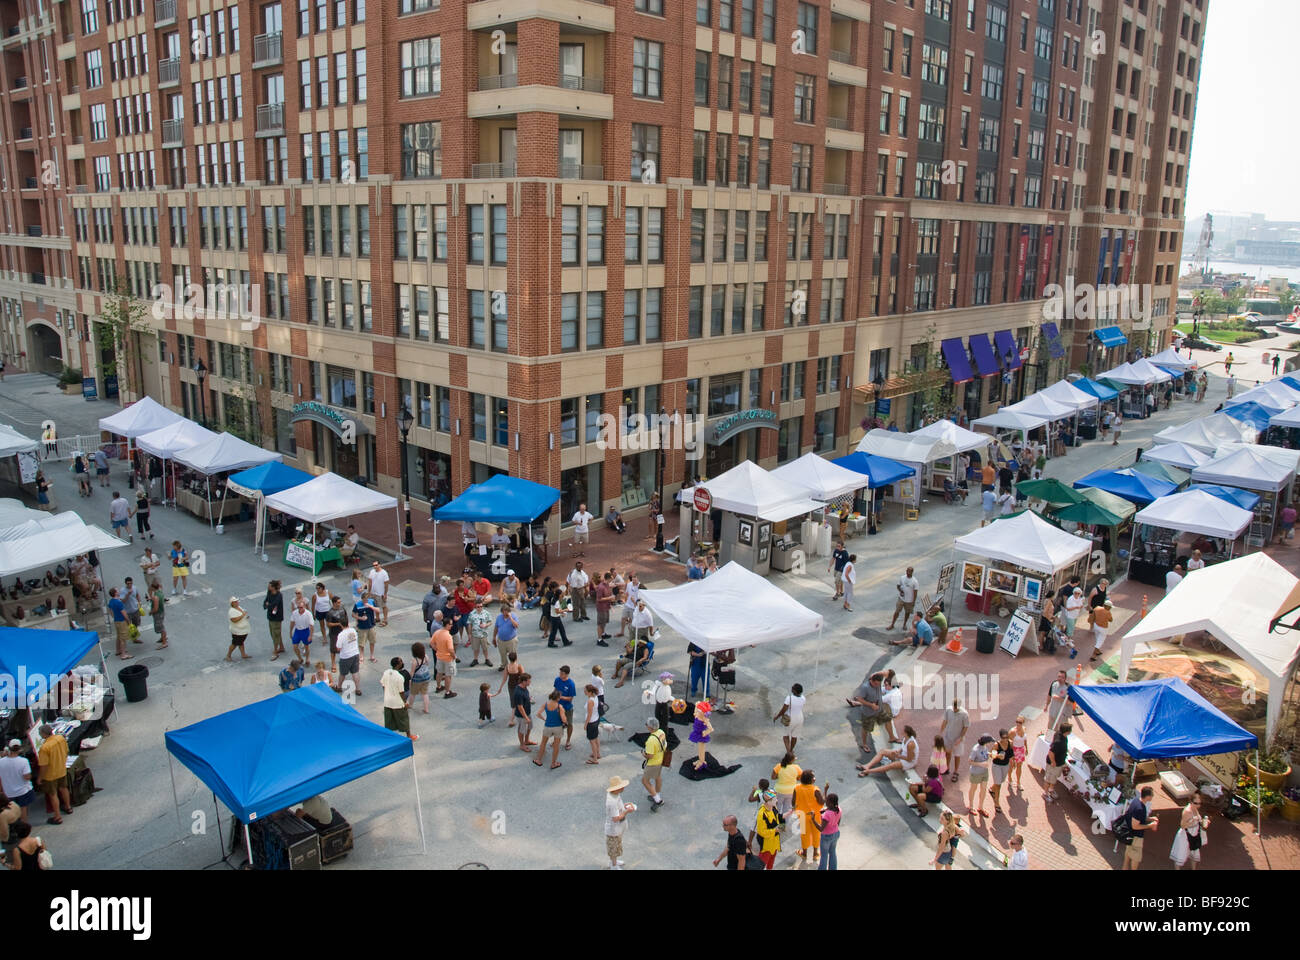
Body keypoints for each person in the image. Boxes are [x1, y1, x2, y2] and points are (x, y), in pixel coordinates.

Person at [36, 724, 71, 824]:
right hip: (61, 769)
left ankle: (57, 817)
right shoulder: (60, 738)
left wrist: (39, 778)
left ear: (43, 734)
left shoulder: (44, 748)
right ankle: (68, 807)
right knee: (64, 788)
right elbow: (66, 751)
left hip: (50, 775)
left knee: (53, 794)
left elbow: (43, 765)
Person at [381, 657, 418, 742]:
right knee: (404, 719)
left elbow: (383, 685)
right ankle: (409, 736)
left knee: (389, 721)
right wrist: (405, 702)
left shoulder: (386, 672)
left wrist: (387, 694)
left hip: (388, 701)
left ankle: (389, 737)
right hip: (398, 703)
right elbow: (401, 692)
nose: (402, 662)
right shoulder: (400, 677)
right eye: (401, 661)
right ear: (398, 665)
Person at [1122, 786, 1159, 869]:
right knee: (1135, 860)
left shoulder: (1136, 802)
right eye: (1152, 795)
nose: (1152, 797)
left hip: (1129, 835)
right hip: (1136, 838)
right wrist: (1150, 826)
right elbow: (1135, 826)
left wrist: (1150, 818)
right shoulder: (1140, 808)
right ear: (1148, 796)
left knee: (1126, 859)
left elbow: (1139, 818)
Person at [792, 770, 824, 864]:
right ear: (811, 780)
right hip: (815, 815)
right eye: (813, 777)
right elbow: (821, 802)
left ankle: (804, 853)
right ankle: (815, 853)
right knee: (816, 833)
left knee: (804, 834)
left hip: (802, 815)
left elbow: (793, 802)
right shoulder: (815, 790)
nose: (815, 778)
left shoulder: (797, 787)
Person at [1170, 791, 1207, 870]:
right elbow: (1182, 825)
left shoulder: (1195, 809)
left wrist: (1203, 822)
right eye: (1196, 803)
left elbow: (1199, 821)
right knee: (1180, 856)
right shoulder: (1187, 811)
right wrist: (1193, 821)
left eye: (1200, 803)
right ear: (1191, 801)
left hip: (1194, 834)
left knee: (1194, 854)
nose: (1198, 805)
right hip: (1185, 836)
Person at [848, 673, 885, 753]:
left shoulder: (877, 682)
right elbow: (860, 699)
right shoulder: (865, 687)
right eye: (875, 684)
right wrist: (871, 705)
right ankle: (864, 744)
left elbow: (884, 673)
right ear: (871, 680)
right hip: (868, 712)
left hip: (878, 709)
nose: (877, 686)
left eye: (878, 684)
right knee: (866, 729)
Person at [604, 776, 634, 869]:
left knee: (617, 846)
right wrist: (626, 811)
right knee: (613, 848)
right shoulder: (611, 802)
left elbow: (618, 807)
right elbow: (616, 818)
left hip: (618, 828)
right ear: (617, 788)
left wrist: (624, 806)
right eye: (621, 786)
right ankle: (613, 865)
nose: (623, 788)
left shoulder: (614, 794)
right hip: (613, 829)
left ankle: (614, 862)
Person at [0, 740, 34, 821]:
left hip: (8, 791)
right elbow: (27, 777)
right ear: (20, 749)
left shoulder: (1, 762)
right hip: (22, 790)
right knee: (23, 809)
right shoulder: (24, 761)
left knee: (11, 810)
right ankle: (24, 827)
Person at [533, 688, 566, 770]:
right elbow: (564, 719)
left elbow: (538, 714)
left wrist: (544, 719)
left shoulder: (546, 704)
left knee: (543, 743)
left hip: (548, 726)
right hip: (558, 727)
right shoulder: (559, 706)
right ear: (558, 698)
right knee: (556, 745)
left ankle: (538, 760)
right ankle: (553, 763)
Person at [938, 698, 970, 784]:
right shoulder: (949, 710)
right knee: (947, 753)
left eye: (956, 708)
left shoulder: (964, 714)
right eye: (953, 707)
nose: (954, 709)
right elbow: (945, 721)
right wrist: (940, 732)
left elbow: (966, 727)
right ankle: (946, 768)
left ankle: (956, 772)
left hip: (958, 739)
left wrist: (960, 738)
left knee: (957, 755)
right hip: (948, 736)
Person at [641, 717, 667, 810]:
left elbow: (650, 756)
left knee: (645, 781)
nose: (646, 726)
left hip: (653, 763)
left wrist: (643, 753)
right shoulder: (661, 732)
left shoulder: (651, 740)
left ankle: (658, 800)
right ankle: (657, 793)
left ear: (650, 728)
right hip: (661, 759)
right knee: (657, 777)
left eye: (647, 724)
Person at [1043, 722, 1072, 804]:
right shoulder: (1058, 742)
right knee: (1048, 779)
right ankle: (1045, 793)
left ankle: (1051, 790)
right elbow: (1051, 752)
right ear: (1067, 732)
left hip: (1059, 763)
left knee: (1054, 778)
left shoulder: (1060, 734)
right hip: (1054, 764)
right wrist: (1053, 762)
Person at [773, 682, 806, 754]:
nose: (791, 687)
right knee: (794, 736)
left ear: (794, 691)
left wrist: (777, 716)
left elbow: (783, 709)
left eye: (793, 687)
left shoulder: (789, 698)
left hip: (790, 719)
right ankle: (791, 750)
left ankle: (789, 753)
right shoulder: (803, 698)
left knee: (785, 736)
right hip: (800, 718)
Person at [754, 792, 782, 869]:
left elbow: (777, 819)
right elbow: (762, 832)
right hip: (766, 845)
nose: (776, 800)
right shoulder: (762, 814)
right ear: (768, 802)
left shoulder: (774, 808)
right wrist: (775, 831)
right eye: (774, 799)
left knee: (771, 861)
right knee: (760, 865)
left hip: (774, 842)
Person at [966, 735, 993, 815]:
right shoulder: (975, 750)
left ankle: (980, 807)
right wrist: (980, 764)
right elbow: (970, 761)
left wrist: (990, 754)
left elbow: (985, 753)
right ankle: (971, 806)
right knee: (973, 788)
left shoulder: (984, 747)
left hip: (984, 771)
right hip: (976, 772)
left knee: (984, 789)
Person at [553, 665, 578, 750]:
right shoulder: (557, 680)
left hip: (567, 708)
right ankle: (556, 740)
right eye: (560, 672)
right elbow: (555, 690)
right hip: (557, 707)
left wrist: (561, 697)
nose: (560, 674)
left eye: (562, 673)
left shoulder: (571, 684)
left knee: (569, 724)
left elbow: (570, 698)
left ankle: (568, 741)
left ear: (567, 674)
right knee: (557, 724)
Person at [888, 566, 921, 630]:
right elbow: (898, 586)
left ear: (912, 572)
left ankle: (904, 624)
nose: (907, 572)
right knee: (897, 611)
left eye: (909, 571)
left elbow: (915, 593)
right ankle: (892, 624)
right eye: (907, 571)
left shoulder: (915, 581)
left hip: (909, 601)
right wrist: (900, 591)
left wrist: (913, 602)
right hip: (901, 599)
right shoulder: (902, 578)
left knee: (907, 613)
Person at [431, 618, 456, 699]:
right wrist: (454, 656)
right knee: (448, 675)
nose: (452, 626)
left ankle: (438, 687)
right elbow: (450, 649)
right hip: (448, 658)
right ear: (447, 625)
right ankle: (447, 692)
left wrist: (437, 650)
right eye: (451, 624)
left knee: (439, 673)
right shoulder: (448, 636)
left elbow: (431, 643)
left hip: (439, 657)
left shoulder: (437, 632)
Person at [989, 729, 1013, 813]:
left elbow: (1011, 755)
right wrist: (998, 756)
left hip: (1005, 766)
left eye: (1007, 737)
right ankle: (997, 803)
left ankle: (992, 789)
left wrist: (1013, 764)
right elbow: (991, 755)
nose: (1005, 739)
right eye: (1004, 737)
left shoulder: (1010, 743)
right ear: (1000, 737)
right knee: (999, 785)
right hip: (997, 766)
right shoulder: (997, 745)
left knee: (1000, 781)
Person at [336, 622, 361, 695]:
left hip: (346, 656)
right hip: (355, 653)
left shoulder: (341, 634)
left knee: (342, 673)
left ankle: (339, 687)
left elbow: (338, 648)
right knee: (355, 672)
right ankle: (358, 689)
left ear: (341, 625)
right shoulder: (353, 630)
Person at [817, 793, 841, 870]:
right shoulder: (839, 809)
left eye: (826, 801)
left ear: (830, 803)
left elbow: (821, 828)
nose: (825, 802)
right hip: (836, 833)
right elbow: (838, 822)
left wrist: (813, 819)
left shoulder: (827, 814)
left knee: (824, 856)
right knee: (832, 853)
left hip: (826, 836)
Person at [466, 600, 493, 667]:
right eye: (478, 607)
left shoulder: (486, 613)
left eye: (481, 606)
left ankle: (487, 659)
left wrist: (486, 625)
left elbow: (490, 622)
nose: (480, 608)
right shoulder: (472, 614)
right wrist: (469, 634)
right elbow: (469, 624)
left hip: (484, 634)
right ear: (475, 607)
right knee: (475, 648)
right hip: (475, 634)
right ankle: (475, 660)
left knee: (485, 648)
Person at [492, 604, 519, 671]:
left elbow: (516, 626)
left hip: (511, 640)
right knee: (502, 654)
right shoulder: (499, 617)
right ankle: (504, 665)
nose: (504, 613)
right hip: (501, 640)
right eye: (503, 612)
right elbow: (496, 627)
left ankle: (513, 666)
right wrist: (494, 637)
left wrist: (510, 618)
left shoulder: (513, 616)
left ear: (509, 611)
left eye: (506, 611)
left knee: (512, 654)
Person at [263, 580, 285, 661]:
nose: (268, 587)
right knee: (274, 632)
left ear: (273, 587)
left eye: (269, 586)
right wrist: (266, 605)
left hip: (277, 617)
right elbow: (266, 601)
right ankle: (281, 647)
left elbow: (274, 604)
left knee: (275, 634)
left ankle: (275, 651)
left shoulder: (279, 595)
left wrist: (268, 605)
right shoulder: (269, 592)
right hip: (270, 616)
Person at [688, 700, 714, 770]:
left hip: (701, 735)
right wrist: (697, 705)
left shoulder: (704, 719)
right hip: (697, 733)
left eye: (699, 710)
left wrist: (705, 732)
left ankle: (701, 762)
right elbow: (695, 712)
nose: (698, 711)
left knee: (701, 750)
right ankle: (700, 760)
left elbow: (711, 729)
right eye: (698, 710)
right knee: (699, 749)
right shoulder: (697, 714)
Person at [408, 642, 432, 714]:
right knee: (425, 694)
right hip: (426, 677)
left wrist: (409, 680)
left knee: (413, 693)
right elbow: (427, 664)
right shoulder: (426, 656)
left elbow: (412, 672)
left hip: (417, 680)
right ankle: (426, 709)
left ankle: (410, 705)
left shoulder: (415, 661)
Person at [512, 674, 535, 751]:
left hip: (528, 712)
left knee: (529, 727)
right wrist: (526, 717)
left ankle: (527, 741)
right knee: (522, 730)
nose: (530, 682)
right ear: (524, 681)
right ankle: (522, 745)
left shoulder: (524, 687)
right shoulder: (518, 692)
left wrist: (528, 698)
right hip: (522, 715)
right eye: (529, 681)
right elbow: (520, 707)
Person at [107, 587, 131, 660]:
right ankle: (123, 654)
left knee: (118, 636)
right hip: (122, 621)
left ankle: (118, 650)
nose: (119, 591)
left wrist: (114, 616)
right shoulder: (118, 602)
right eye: (117, 590)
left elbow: (110, 610)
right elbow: (124, 613)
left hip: (116, 621)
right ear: (115, 593)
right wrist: (128, 621)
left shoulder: (111, 601)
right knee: (123, 639)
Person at [367, 560, 391, 627]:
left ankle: (385, 620)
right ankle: (377, 618)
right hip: (373, 593)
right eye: (374, 565)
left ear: (379, 565)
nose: (375, 566)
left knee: (383, 606)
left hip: (380, 593)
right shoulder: (372, 572)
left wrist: (385, 594)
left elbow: (386, 584)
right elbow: (370, 582)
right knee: (375, 606)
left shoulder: (384, 573)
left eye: (376, 565)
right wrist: (369, 592)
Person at [583, 685, 603, 764]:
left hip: (591, 723)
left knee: (592, 741)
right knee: (596, 737)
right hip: (596, 719)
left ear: (590, 692)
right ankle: (597, 753)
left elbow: (589, 714)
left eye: (586, 691)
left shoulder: (590, 701)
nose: (584, 692)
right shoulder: (595, 697)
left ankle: (595, 759)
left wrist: (585, 724)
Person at [593, 573, 614, 645]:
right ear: (608, 578)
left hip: (606, 606)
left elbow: (608, 594)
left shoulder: (607, 585)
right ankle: (599, 640)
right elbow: (599, 599)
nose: (612, 579)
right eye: (611, 578)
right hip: (601, 608)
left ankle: (603, 634)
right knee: (600, 624)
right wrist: (609, 598)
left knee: (604, 622)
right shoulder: (600, 587)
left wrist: (610, 600)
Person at [1010, 715, 1029, 790]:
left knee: (1019, 767)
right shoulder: (1012, 731)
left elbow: (1025, 740)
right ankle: (1010, 779)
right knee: (1011, 766)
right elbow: (1009, 742)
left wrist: (1026, 748)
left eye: (1020, 722)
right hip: (1014, 750)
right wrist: (1012, 754)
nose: (1018, 724)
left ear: (1023, 723)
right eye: (1017, 722)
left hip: (1021, 750)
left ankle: (1018, 782)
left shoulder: (1024, 729)